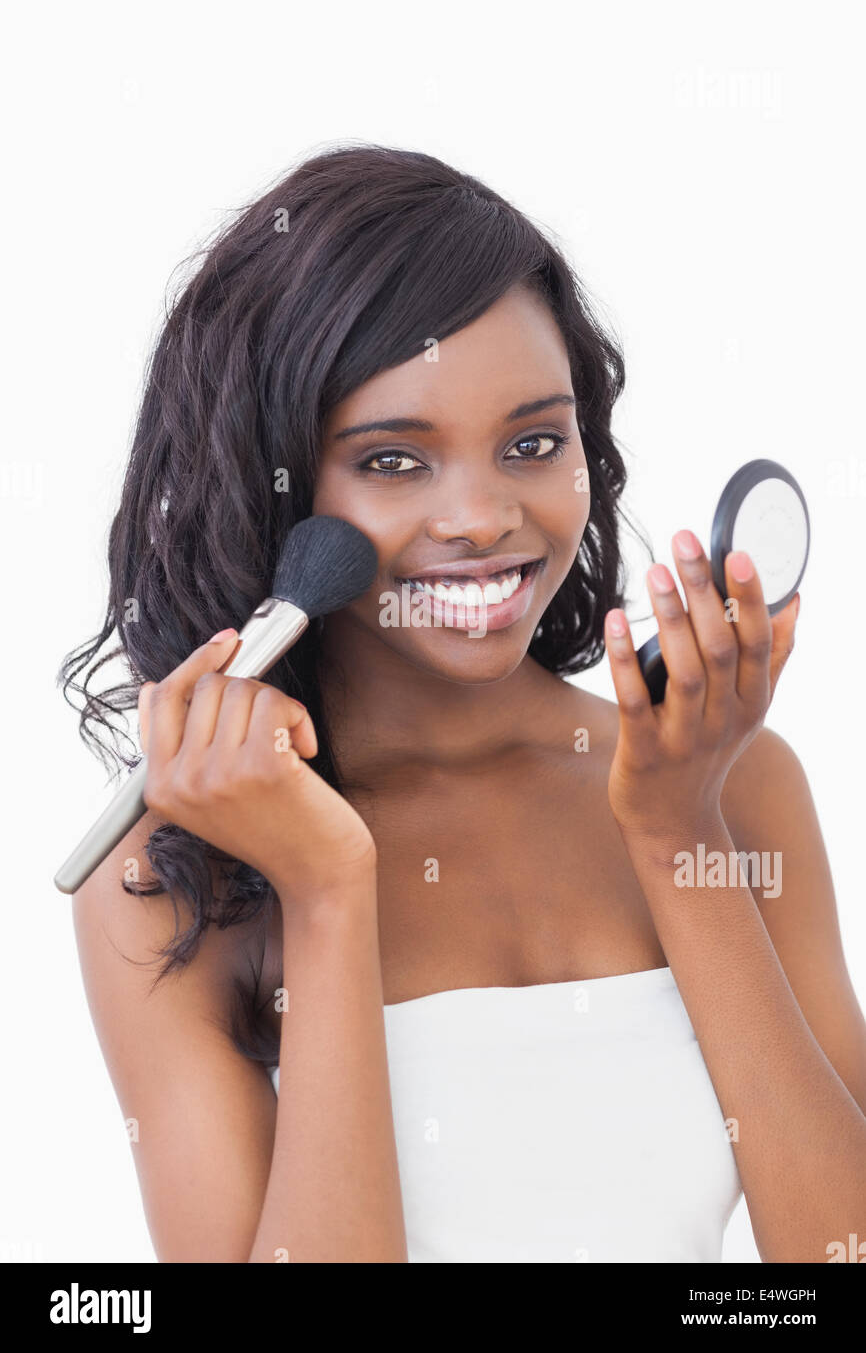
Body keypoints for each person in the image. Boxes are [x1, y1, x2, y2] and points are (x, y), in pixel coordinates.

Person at [64, 143, 866, 1263]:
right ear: (267, 482)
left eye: (533, 442)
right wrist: (329, 890)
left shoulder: (732, 785)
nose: (483, 515)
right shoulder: (167, 873)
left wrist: (677, 830)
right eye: (394, 462)